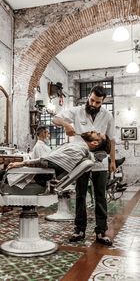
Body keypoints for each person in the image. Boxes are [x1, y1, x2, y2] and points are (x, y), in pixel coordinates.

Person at [52, 85, 115, 246]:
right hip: (80, 161)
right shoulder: (77, 111)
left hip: (100, 162)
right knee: (80, 195)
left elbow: (112, 139)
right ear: (89, 97)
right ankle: (79, 230)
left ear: (102, 102)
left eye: (97, 102)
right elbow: (55, 119)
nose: (93, 104)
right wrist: (66, 125)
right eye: (92, 100)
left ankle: (101, 232)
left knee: (100, 197)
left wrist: (113, 161)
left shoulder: (107, 115)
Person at [0, 131, 111, 188]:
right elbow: (52, 162)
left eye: (97, 133)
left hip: (38, 175)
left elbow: (48, 163)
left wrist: (22, 163)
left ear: (95, 143)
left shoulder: (79, 148)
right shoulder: (80, 149)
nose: (94, 130)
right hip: (41, 174)